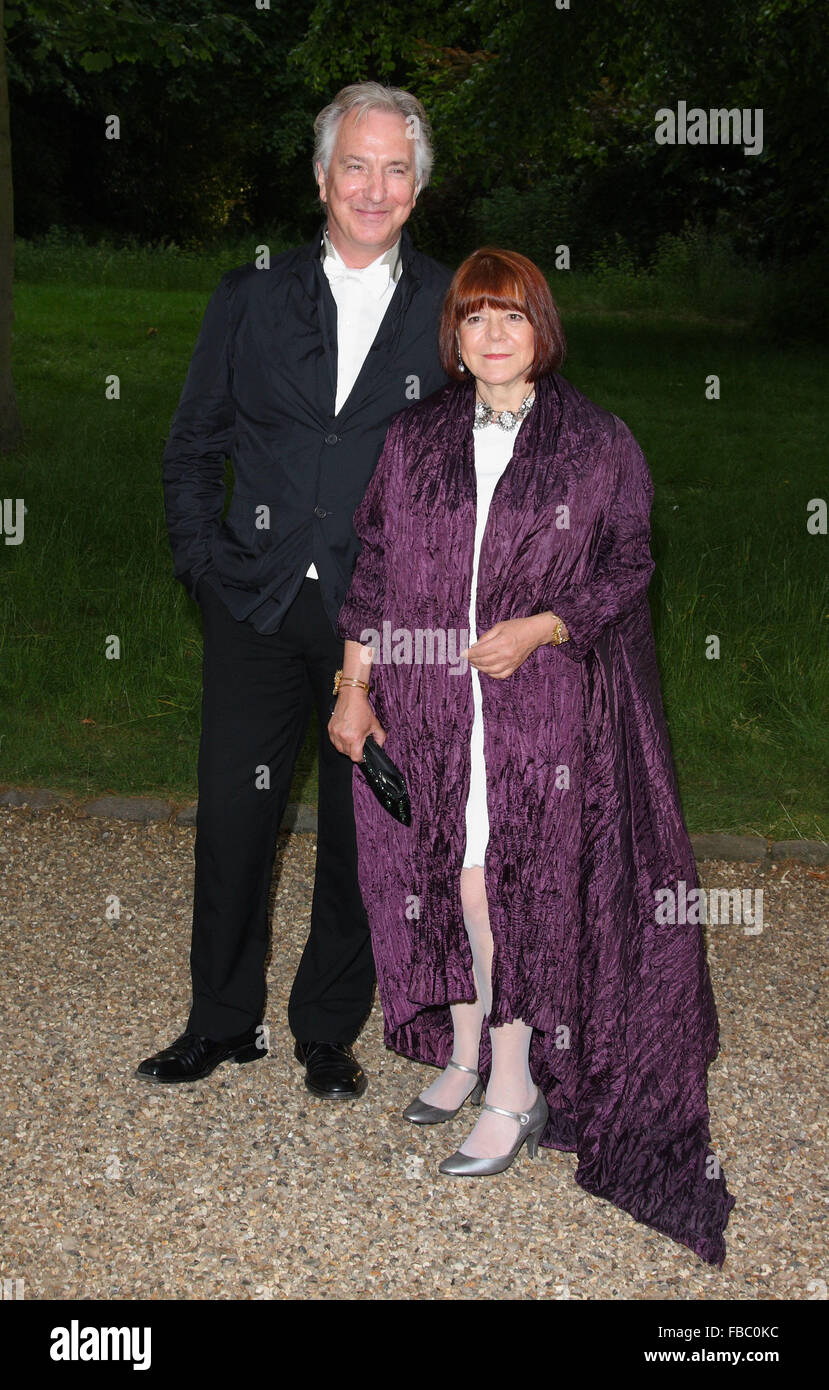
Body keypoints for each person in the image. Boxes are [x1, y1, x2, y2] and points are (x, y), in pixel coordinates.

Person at [330, 247, 736, 1264]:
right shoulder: (414, 436)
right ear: (455, 339)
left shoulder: (594, 443)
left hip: (535, 712)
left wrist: (546, 623)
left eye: (512, 315)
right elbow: (374, 558)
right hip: (427, 700)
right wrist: (353, 682)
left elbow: (629, 564)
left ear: (541, 328)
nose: (494, 334)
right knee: (432, 873)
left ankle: (516, 1088)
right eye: (475, 319)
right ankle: (465, 1050)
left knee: (492, 885)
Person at [137, 83, 451, 1098]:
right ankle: (219, 1021)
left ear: (418, 185)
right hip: (257, 598)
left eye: (394, 168)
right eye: (353, 165)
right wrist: (206, 566)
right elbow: (192, 447)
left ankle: (326, 1027)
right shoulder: (250, 293)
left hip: (386, 616)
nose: (373, 186)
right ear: (321, 176)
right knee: (235, 818)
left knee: (368, 830)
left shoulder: (454, 308)